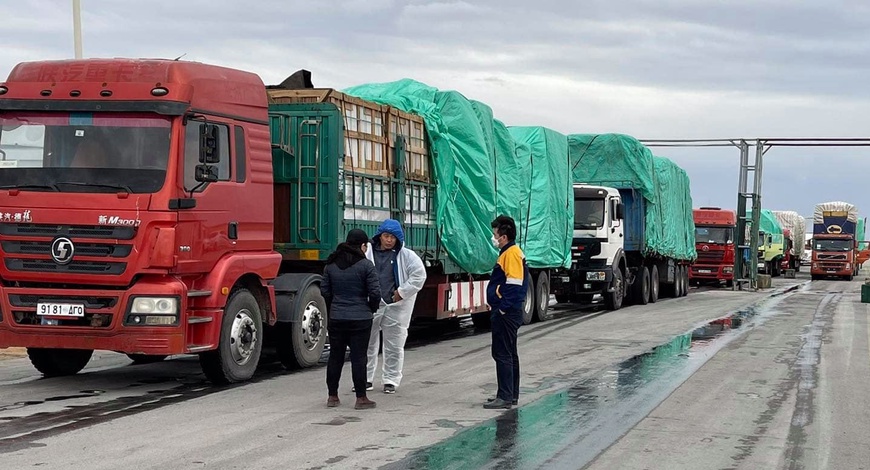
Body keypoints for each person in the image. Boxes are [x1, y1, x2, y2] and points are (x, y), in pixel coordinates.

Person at [363, 219, 427, 394]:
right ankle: (365, 379)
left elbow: (419, 276)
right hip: (372, 303)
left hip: (397, 305)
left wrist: (402, 292)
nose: (389, 240)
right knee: (366, 342)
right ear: (380, 236)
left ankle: (390, 380)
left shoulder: (407, 256)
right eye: (386, 236)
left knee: (394, 344)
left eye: (393, 237)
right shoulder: (367, 253)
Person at [321, 229, 381, 410]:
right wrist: (370, 308)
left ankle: (332, 396)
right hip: (360, 319)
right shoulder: (366, 266)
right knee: (359, 358)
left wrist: (333, 308)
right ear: (362, 246)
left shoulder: (331, 265)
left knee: (335, 357)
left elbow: (325, 291)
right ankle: (361, 398)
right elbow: (375, 293)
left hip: (337, 318)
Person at [484, 215, 529, 409]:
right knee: (509, 353)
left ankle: (505, 396)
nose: (493, 238)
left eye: (495, 234)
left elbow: (514, 285)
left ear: (503, 237)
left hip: (507, 313)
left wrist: (502, 308)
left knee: (502, 353)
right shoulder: (509, 253)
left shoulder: (511, 254)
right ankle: (509, 394)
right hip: (509, 311)